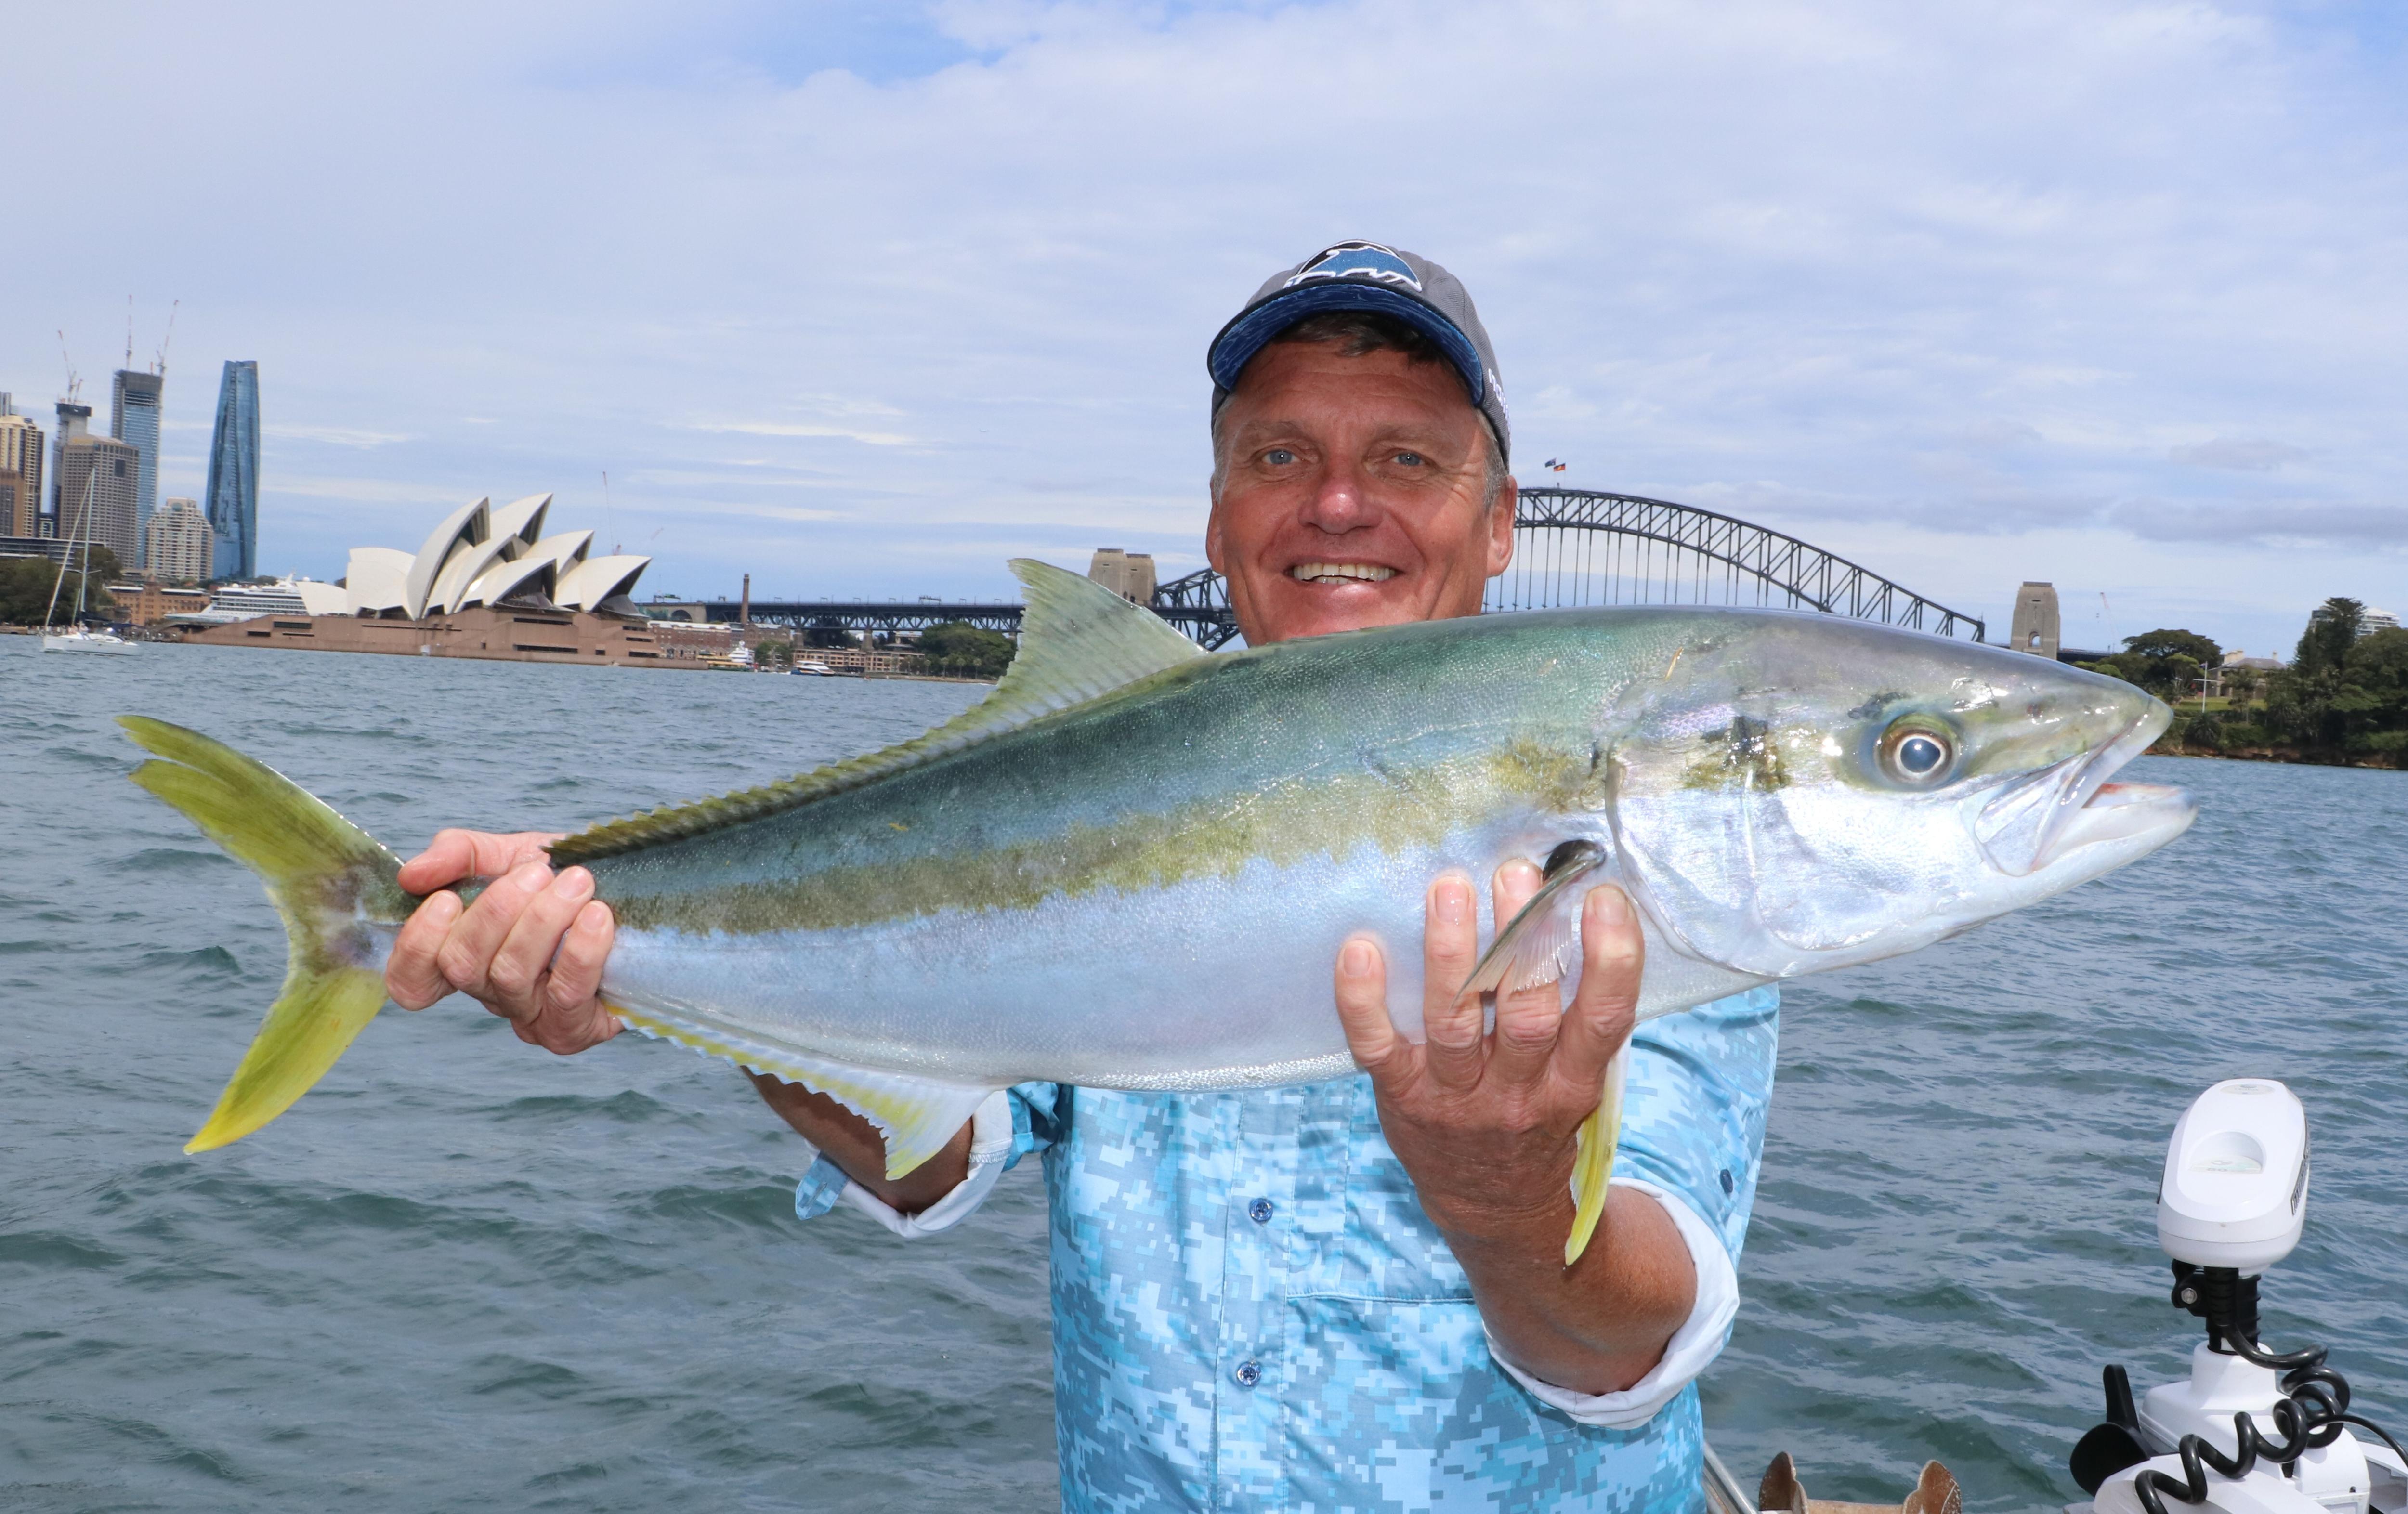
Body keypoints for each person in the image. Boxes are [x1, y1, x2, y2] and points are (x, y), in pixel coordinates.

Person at [384, 242, 1779, 1512]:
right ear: (1221, 517)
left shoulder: (1652, 847)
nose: (1339, 503)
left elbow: (1628, 1340)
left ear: (1502, 522)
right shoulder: (1093, 764)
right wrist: (636, 956)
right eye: (1280, 455)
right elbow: (933, 1150)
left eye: (1408, 460)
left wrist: (1513, 1201)